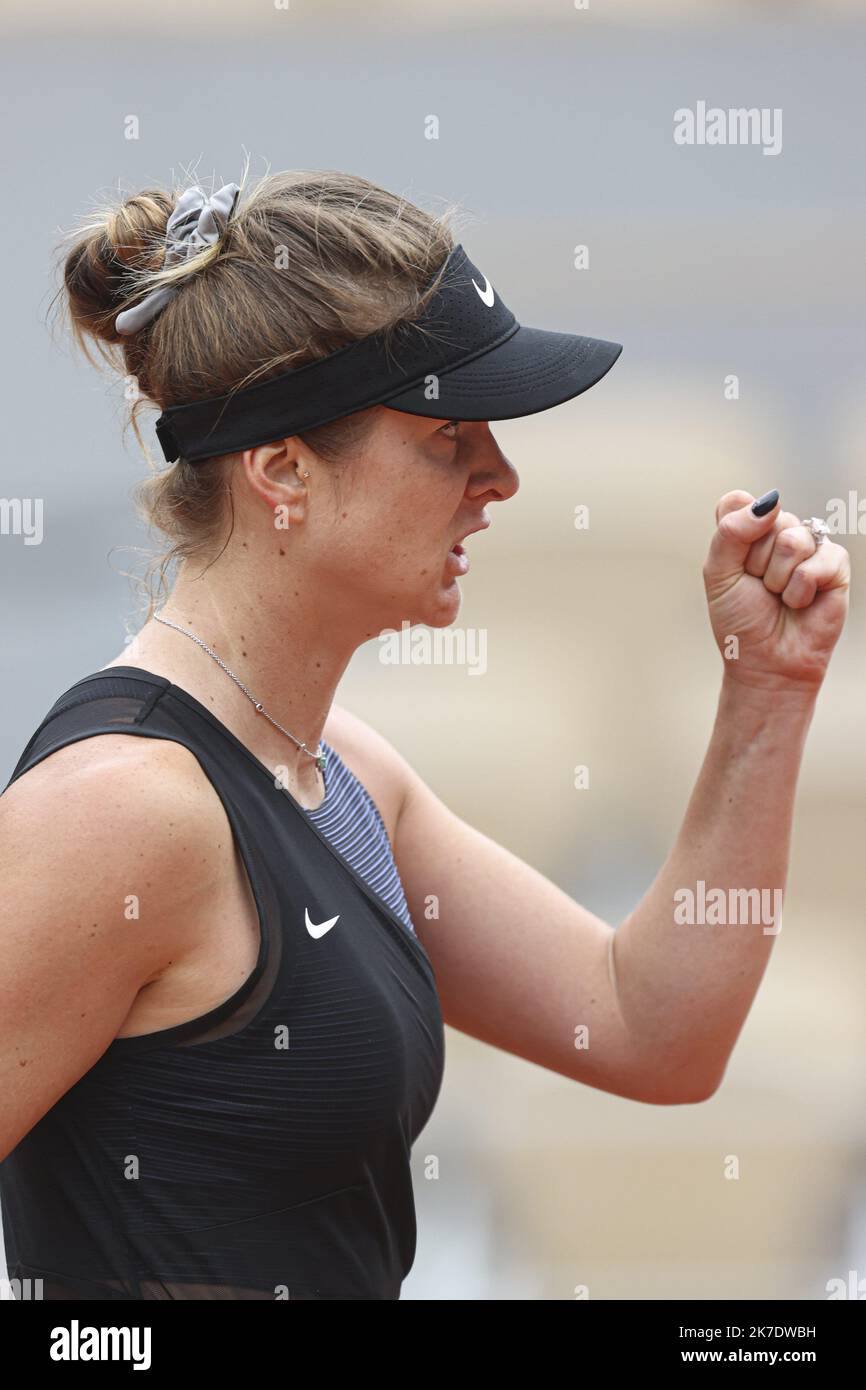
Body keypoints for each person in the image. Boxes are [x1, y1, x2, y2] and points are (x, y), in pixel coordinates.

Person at [0, 168, 850, 1300]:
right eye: (447, 435)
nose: (498, 477)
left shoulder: (342, 772)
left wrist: (766, 690)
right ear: (281, 470)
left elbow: (651, 1029)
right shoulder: (124, 810)